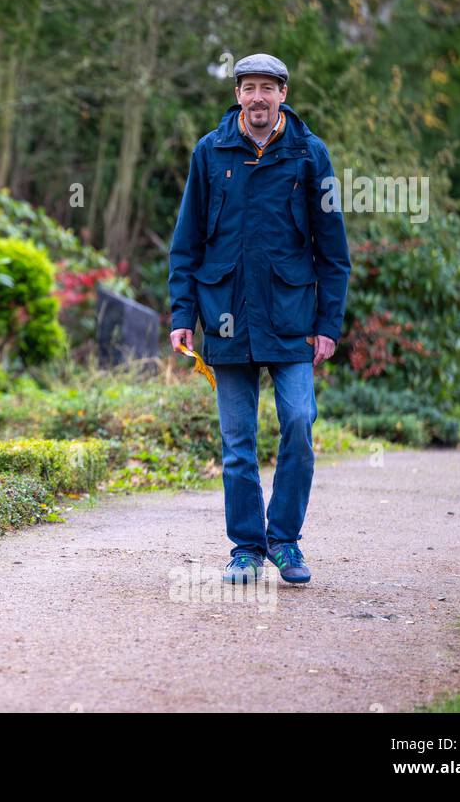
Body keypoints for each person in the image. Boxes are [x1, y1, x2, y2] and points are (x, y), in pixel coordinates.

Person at [167, 53, 351, 586]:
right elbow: (186, 244)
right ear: (238, 95)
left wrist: (328, 325)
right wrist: (183, 315)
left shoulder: (311, 156)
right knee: (237, 442)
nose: (257, 99)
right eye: (248, 88)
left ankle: (285, 541)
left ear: (283, 95)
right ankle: (246, 547)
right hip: (225, 317)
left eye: (267, 89)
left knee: (298, 422)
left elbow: (333, 251)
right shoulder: (210, 152)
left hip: (292, 320)